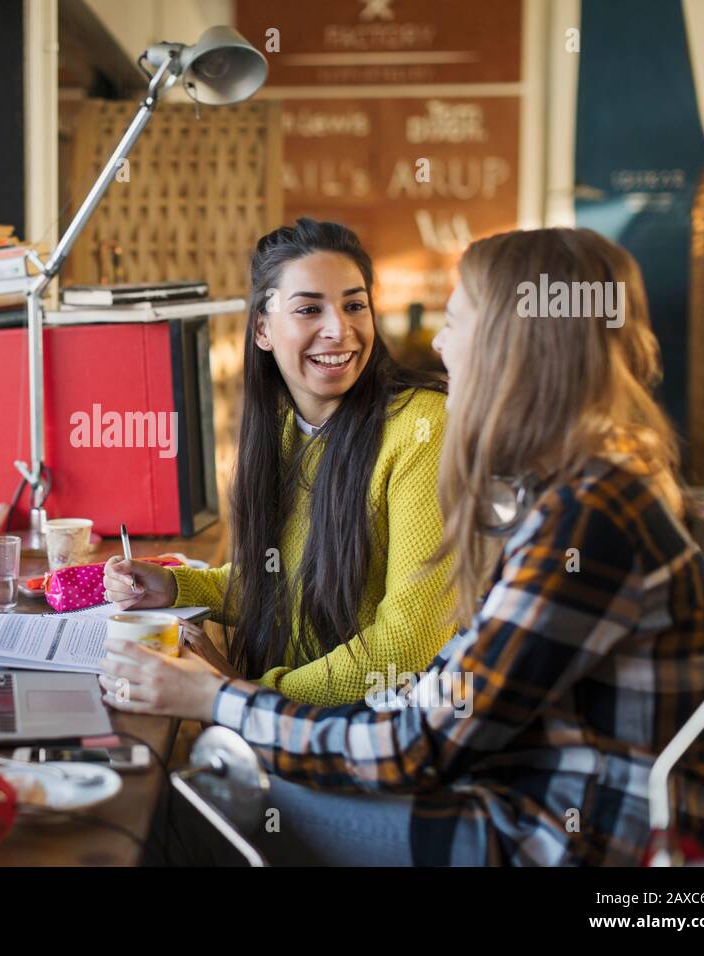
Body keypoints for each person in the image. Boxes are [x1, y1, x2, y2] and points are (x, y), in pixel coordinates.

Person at [103, 228, 704, 865]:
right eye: (310, 308)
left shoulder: (590, 519)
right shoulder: (576, 494)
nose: (436, 343)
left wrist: (223, 700)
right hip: (512, 791)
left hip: (555, 842)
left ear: (515, 347)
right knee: (219, 784)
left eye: (455, 319)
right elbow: (446, 693)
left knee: (189, 804)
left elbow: (416, 740)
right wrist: (219, 651)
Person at [105, 219, 456, 706]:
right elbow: (282, 583)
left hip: (365, 737)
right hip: (281, 722)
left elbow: (407, 643)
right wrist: (173, 585)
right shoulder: (286, 426)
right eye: (310, 309)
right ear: (263, 330)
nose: (340, 329)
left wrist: (243, 696)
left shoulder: (422, 426)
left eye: (355, 305)